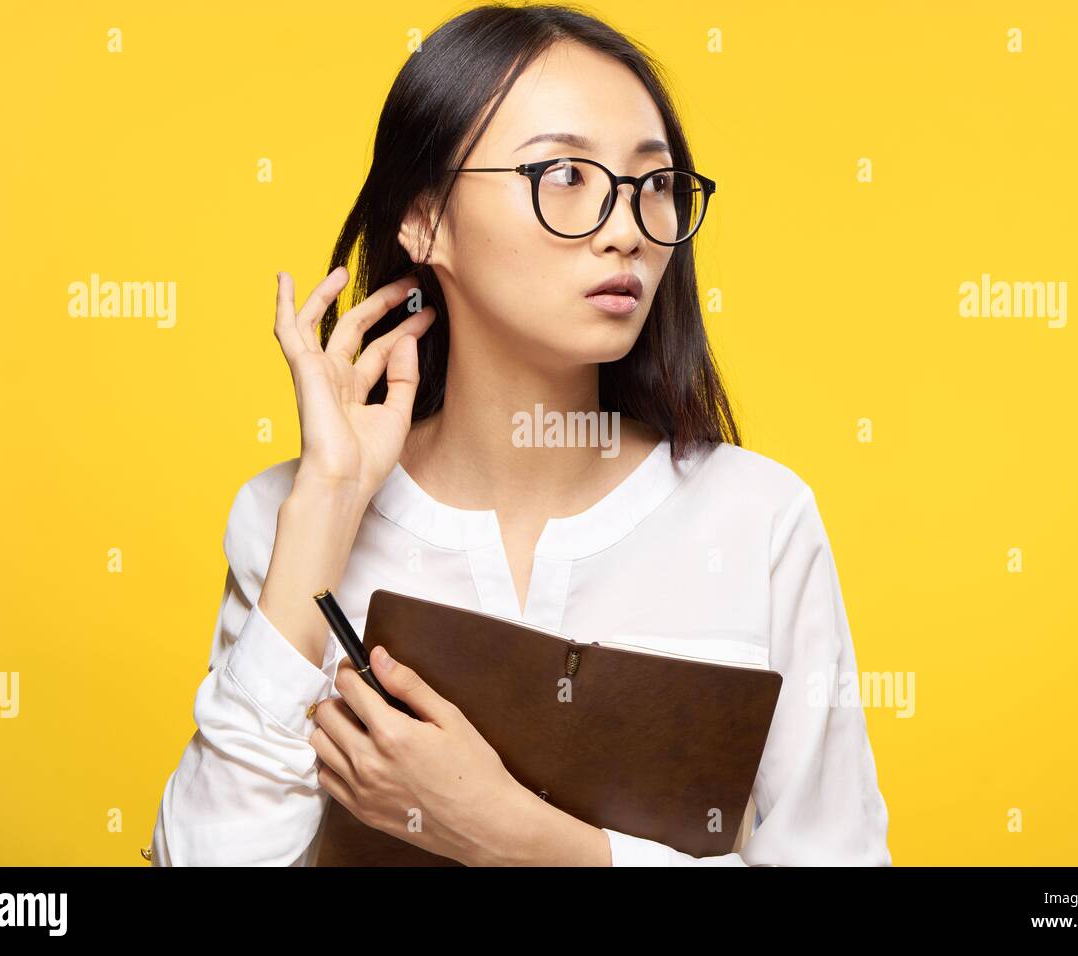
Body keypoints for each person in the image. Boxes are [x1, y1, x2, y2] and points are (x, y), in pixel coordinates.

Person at [149, 2, 891, 866]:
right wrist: (327, 506)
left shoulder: (760, 521)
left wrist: (528, 843)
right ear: (425, 218)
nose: (626, 230)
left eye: (653, 185)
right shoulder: (288, 514)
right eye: (566, 175)